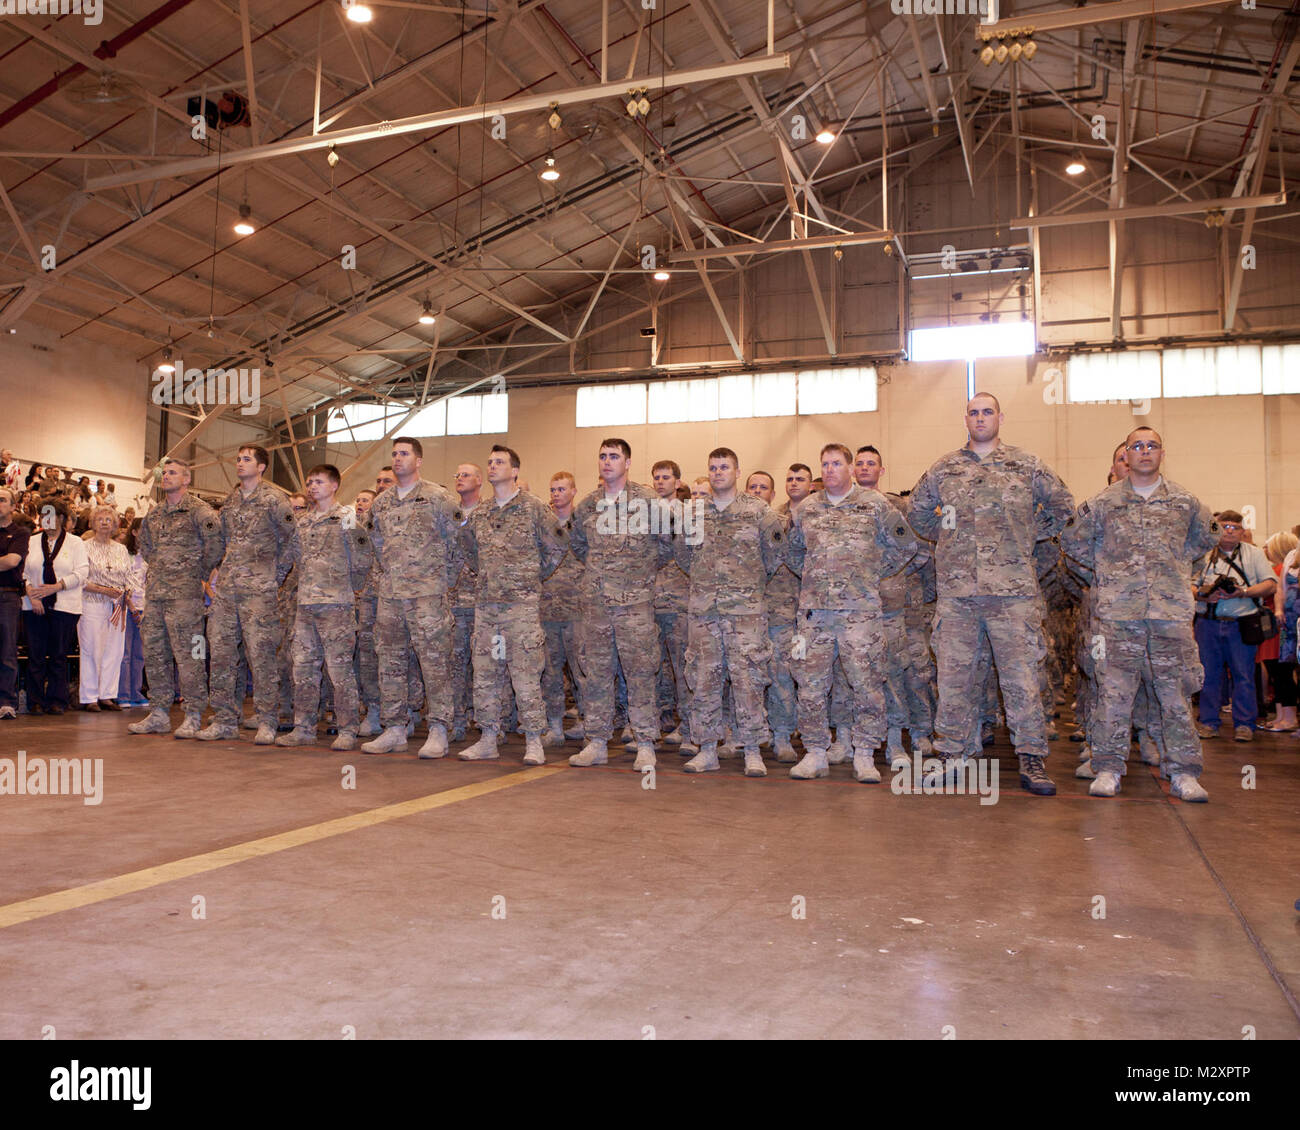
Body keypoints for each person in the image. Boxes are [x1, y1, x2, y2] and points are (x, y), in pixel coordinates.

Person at [908, 392, 1075, 796]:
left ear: (1001, 417)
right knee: (954, 679)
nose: (980, 418)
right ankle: (952, 754)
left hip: (1012, 594)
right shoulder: (944, 469)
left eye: (987, 412)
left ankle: (1031, 758)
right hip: (959, 595)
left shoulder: (1027, 466)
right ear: (964, 419)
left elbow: (1063, 507)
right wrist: (948, 538)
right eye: (973, 412)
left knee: (1021, 680)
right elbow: (917, 513)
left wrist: (1024, 535)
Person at [1060, 427, 1218, 801]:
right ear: (1126, 456)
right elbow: (1073, 543)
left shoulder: (1185, 503)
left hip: (1169, 615)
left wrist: (1177, 574)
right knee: (1114, 694)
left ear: (1162, 454)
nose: (1144, 451)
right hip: (1118, 616)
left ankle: (1183, 771)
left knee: (1175, 695)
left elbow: (1203, 542)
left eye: (1152, 446)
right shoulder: (1101, 504)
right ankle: (1109, 768)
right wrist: (1107, 575)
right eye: (1136, 446)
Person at [786, 443, 918, 782]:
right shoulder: (807, 509)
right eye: (825, 464)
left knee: (867, 684)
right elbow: (793, 551)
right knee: (810, 684)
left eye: (836, 464)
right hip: (814, 615)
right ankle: (815, 751)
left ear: (849, 469)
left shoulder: (874, 505)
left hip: (860, 613)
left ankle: (864, 753)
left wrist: (870, 572)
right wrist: (817, 579)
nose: (829, 470)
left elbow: (905, 545)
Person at [675, 448, 784, 777]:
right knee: (703, 679)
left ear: (738, 472)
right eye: (713, 468)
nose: (718, 472)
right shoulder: (693, 513)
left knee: (748, 679)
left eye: (725, 467)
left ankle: (751, 749)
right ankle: (707, 748)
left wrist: (747, 584)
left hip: (746, 614)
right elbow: (682, 554)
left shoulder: (759, 511)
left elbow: (774, 554)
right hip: (704, 613)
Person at [567, 438, 672, 770]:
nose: (607, 462)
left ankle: (644, 743)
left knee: (641, 674)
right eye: (603, 456)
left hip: (635, 606)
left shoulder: (649, 502)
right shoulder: (587, 506)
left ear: (627, 463)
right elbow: (579, 546)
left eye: (614, 457)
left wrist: (638, 576)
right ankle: (597, 741)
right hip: (597, 607)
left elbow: (668, 546)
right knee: (596, 674)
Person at [457, 445, 565, 765]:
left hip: (521, 607)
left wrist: (529, 576)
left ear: (515, 470)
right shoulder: (481, 512)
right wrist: (489, 576)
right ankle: (489, 736)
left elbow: (557, 546)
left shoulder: (534, 508)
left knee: (525, 674)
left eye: (499, 462)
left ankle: (533, 739)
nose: (492, 467)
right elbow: (469, 551)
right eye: (489, 462)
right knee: (487, 674)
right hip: (488, 606)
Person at [361, 437, 464, 757]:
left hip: (428, 596)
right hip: (390, 596)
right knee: (390, 663)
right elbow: (376, 545)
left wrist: (441, 580)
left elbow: (459, 543)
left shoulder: (439, 498)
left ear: (418, 461)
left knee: (435, 664)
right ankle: (394, 728)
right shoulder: (382, 502)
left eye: (404, 454)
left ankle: (438, 729)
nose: (398, 459)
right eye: (394, 454)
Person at [197, 445, 296, 744]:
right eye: (238, 459)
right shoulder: (231, 500)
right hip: (228, 590)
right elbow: (221, 539)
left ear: (261, 466)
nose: (240, 464)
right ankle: (226, 718)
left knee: (261, 656)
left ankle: (267, 719)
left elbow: (293, 541)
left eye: (247, 460)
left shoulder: (275, 501)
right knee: (222, 654)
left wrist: (274, 576)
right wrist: (214, 569)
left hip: (259, 592)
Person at [276, 466, 372, 751]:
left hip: (337, 605)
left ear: (334, 485)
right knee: (303, 668)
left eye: (318, 482)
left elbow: (363, 555)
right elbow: (290, 558)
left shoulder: (346, 518)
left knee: (340, 670)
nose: (312, 486)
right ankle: (303, 727)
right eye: (309, 482)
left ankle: (347, 729)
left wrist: (349, 586)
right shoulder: (302, 522)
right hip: (305, 606)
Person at [128, 459, 224, 737]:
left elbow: (216, 545)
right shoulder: (155, 514)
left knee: (189, 656)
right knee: (155, 654)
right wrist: (162, 569)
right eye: (164, 473)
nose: (165, 476)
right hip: (156, 594)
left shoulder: (200, 511)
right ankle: (158, 713)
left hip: (185, 597)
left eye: (172, 473)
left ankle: (194, 714)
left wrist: (197, 571)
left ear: (186, 479)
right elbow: (145, 546)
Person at [1193, 509, 1277, 740]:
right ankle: (1209, 722)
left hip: (1241, 624)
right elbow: (1188, 585)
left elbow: (1270, 584)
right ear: (1216, 528)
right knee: (1208, 675)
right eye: (1225, 526)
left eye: (1235, 527)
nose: (1229, 531)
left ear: (1242, 532)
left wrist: (1244, 592)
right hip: (1208, 623)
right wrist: (1203, 595)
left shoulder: (1254, 554)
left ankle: (1244, 724)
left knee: (1243, 674)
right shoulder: (1203, 554)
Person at [22, 500, 89, 715]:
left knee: (59, 655)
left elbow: (81, 573)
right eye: (43, 515)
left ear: (61, 518)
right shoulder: (31, 541)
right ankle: (35, 701)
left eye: (51, 515)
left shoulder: (75, 543)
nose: (46, 519)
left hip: (65, 605)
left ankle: (57, 700)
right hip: (33, 605)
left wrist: (56, 587)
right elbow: (22, 572)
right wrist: (31, 593)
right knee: (36, 654)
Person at [541, 472, 586, 746]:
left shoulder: (582, 524)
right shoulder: (543, 525)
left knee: (582, 671)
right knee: (550, 671)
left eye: (562, 489)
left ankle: (586, 721)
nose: (557, 494)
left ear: (573, 491)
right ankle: (555, 725)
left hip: (578, 610)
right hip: (547, 609)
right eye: (553, 489)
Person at [651, 459, 692, 749]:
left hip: (679, 603)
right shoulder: (645, 516)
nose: (661, 482)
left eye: (666, 477)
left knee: (683, 668)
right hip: (650, 601)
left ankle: (688, 726)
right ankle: (657, 719)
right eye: (657, 477)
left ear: (678, 482)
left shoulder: (689, 515)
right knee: (653, 667)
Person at [78, 505, 133, 711]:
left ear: (115, 525)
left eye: (108, 519)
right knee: (92, 649)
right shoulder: (84, 547)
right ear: (92, 523)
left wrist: (127, 591)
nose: (104, 522)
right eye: (99, 519)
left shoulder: (121, 549)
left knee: (114, 650)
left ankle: (107, 695)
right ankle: (90, 696)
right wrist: (103, 590)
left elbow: (129, 576)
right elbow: (80, 579)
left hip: (117, 605)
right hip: (92, 602)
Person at [449, 463, 483, 739]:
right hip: (454, 602)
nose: (460, 479)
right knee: (455, 665)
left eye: (466, 474)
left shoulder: (489, 513)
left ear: (479, 480)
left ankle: (490, 723)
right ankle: (457, 722)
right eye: (457, 475)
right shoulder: (449, 514)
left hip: (484, 602)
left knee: (486, 666)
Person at [1260, 531, 1298, 730]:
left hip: (1287, 624)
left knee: (1282, 672)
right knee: (1280, 672)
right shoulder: (1288, 562)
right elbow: (1280, 591)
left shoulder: (1284, 565)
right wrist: (1279, 609)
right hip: (1283, 623)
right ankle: (1284, 716)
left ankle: (1288, 717)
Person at [0, 486, 30, 720]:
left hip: (8, 596)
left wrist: (7, 561)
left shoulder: (20, 533)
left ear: (12, 506)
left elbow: (12, 561)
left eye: (2, 500)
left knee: (7, 650)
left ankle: (6, 702)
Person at [116, 521, 147, 707]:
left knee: (140, 654)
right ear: (134, 532)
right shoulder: (124, 555)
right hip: (127, 607)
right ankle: (123, 694)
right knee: (125, 653)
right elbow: (123, 582)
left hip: (144, 606)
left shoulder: (148, 556)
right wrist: (132, 606)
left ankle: (136, 692)